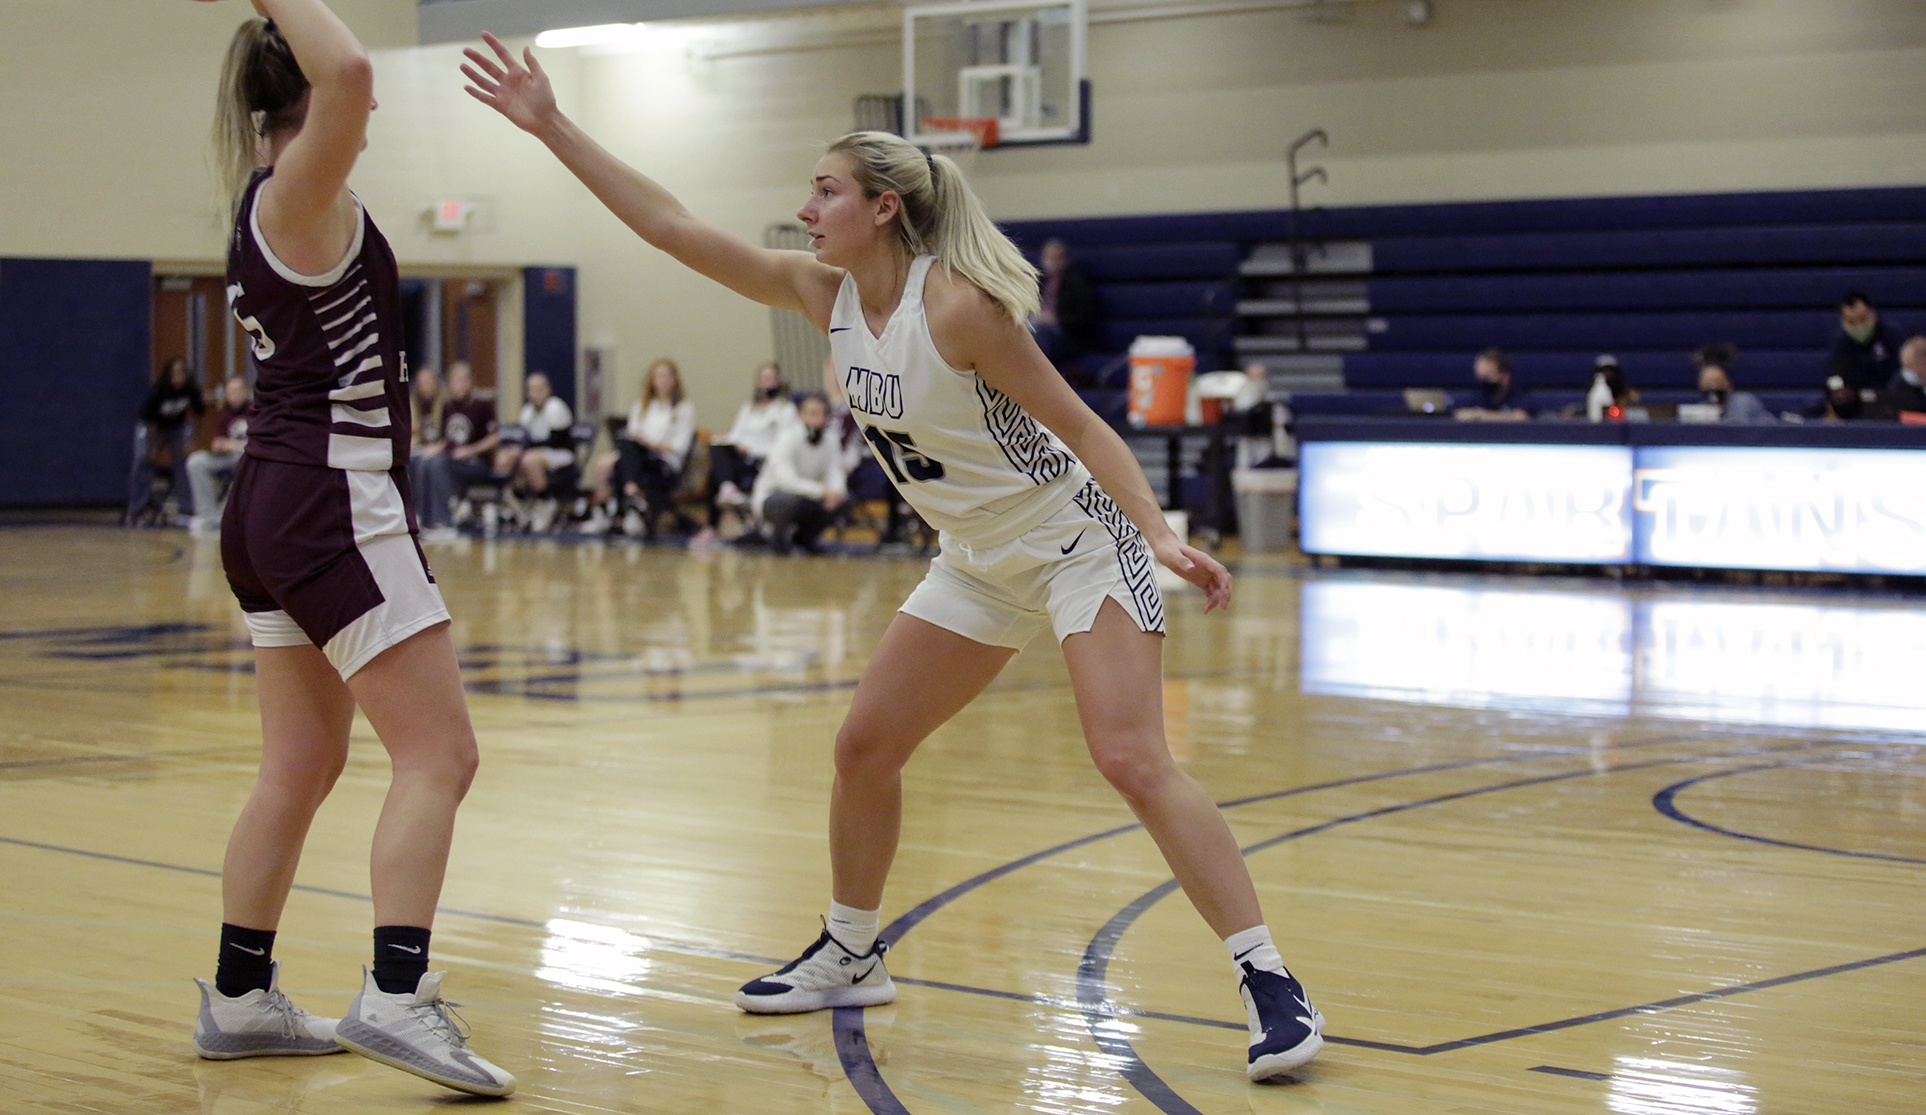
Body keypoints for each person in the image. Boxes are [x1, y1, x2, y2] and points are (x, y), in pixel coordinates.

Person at [464, 38, 1323, 1081]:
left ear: (881, 207)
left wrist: (1154, 529)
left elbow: (1088, 429)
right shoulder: (820, 292)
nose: (806, 206)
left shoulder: (958, 305)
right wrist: (550, 124)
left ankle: (1267, 977)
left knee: (1129, 757)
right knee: (864, 745)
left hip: (1075, 542)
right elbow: (672, 228)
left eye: (824, 189)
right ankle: (851, 948)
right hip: (972, 557)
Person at [192, 1, 510, 1097]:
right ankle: (397, 994)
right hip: (331, 495)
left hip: (268, 502)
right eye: (345, 110)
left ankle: (239, 996)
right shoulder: (299, 192)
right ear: (303, 104)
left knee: (300, 764)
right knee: (441, 755)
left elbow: (351, 79)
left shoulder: (263, 204)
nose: (367, 123)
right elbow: (357, 71)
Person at [581, 357, 696, 535]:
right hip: (638, 455)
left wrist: (652, 444)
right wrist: (642, 442)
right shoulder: (641, 406)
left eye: (666, 376)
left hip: (664, 460)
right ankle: (623, 501)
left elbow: (680, 446)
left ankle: (622, 505)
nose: (662, 381)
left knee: (620, 460)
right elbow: (632, 435)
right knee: (610, 459)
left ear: (674, 380)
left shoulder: (683, 409)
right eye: (658, 376)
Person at [751, 392, 848, 554]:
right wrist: (822, 491)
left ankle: (804, 540)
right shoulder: (787, 438)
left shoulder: (831, 440)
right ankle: (777, 541)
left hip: (809, 497)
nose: (816, 418)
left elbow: (835, 472)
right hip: (774, 497)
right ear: (801, 415)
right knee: (789, 500)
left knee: (844, 500)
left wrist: (836, 492)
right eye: (812, 413)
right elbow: (786, 481)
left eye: (821, 414)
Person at [411, 361, 500, 535]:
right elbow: (447, 438)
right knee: (422, 462)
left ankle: (443, 521)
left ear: (471, 382)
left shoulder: (483, 405)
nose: (461, 385)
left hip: (476, 462)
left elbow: (494, 438)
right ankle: (422, 518)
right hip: (453, 460)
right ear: (450, 383)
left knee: (437, 465)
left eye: (465, 380)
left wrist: (471, 450)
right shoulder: (447, 406)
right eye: (457, 380)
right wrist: (437, 447)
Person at [708, 361, 801, 524]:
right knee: (716, 448)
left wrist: (752, 449)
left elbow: (785, 444)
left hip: (765, 459)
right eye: (762, 378)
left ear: (778, 381)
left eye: (769, 378)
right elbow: (736, 435)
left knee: (716, 474)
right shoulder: (749, 408)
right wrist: (727, 440)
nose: (765, 383)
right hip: (743, 455)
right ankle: (726, 492)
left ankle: (727, 503)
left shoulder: (786, 410)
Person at [127, 356, 206, 524]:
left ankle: (186, 508)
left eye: (181, 374)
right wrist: (153, 447)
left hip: (176, 426)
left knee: (184, 462)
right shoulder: (158, 390)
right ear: (168, 375)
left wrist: (191, 439)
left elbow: (198, 415)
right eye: (174, 374)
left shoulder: (191, 389)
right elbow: (150, 421)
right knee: (143, 460)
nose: (178, 378)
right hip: (151, 426)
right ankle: (136, 509)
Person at [493, 371, 574, 530]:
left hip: (561, 453)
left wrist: (527, 452)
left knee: (529, 460)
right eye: (531, 389)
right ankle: (512, 498)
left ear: (548, 390)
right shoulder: (527, 412)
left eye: (539, 389)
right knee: (508, 457)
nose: (534, 394)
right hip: (536, 452)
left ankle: (545, 501)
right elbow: (526, 441)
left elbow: (556, 442)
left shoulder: (556, 408)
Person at [187, 376, 253, 534]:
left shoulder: (255, 410)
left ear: (244, 392)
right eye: (230, 392)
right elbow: (218, 441)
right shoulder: (224, 413)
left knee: (245, 463)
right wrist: (220, 445)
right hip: (227, 457)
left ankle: (228, 514)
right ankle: (208, 515)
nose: (234, 395)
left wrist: (237, 446)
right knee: (195, 462)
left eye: (237, 391)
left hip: (248, 456)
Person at [1029, 237, 1097, 367]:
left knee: (1040, 333)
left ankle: (1036, 374)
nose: (1051, 262)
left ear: (1064, 259)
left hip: (1064, 335)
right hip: (1036, 325)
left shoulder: (1075, 284)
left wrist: (1057, 319)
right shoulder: (1039, 281)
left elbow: (1084, 317)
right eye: (1048, 257)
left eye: (1055, 258)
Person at [1826, 290, 1905, 392]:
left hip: (1889, 395)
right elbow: (1835, 373)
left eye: (1862, 319)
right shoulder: (1840, 341)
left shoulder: (1892, 335)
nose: (1859, 326)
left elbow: (1901, 371)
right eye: (1851, 321)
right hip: (1855, 399)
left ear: (1872, 313)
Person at [1693, 344, 1771, 423]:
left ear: (1728, 382)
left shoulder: (1744, 402)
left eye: (1716, 381)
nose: (1713, 387)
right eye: (1707, 382)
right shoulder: (1702, 408)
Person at [1454, 347, 1530, 421]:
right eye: (1481, 377)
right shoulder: (1479, 396)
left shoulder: (1518, 397)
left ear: (1505, 375)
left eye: (1489, 376)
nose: (1484, 382)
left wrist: (1481, 416)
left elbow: (1520, 417)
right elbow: (1461, 414)